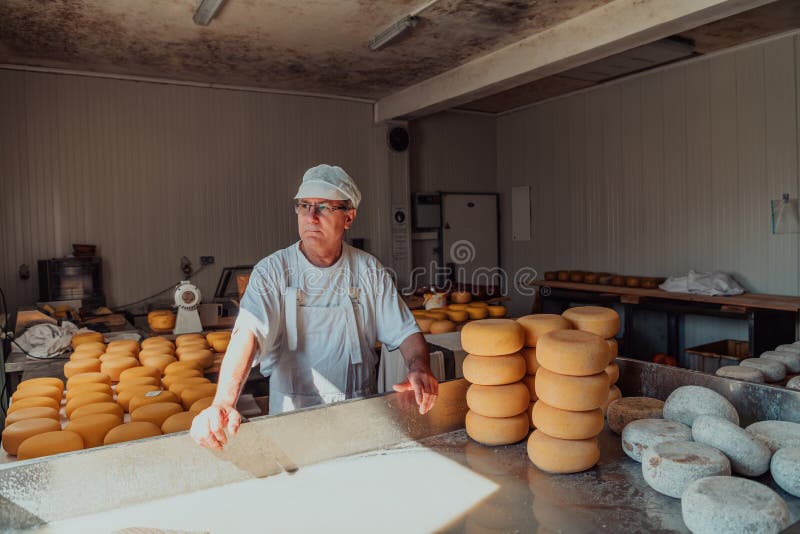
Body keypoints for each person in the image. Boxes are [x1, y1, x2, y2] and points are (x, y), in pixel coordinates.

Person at [191, 164, 439, 450]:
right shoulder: (273, 271)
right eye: (304, 206)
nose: (311, 217)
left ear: (349, 217)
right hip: (292, 424)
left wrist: (419, 366)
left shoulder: (368, 270)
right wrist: (223, 401)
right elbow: (248, 332)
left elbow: (406, 331)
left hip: (358, 418)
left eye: (323, 207)